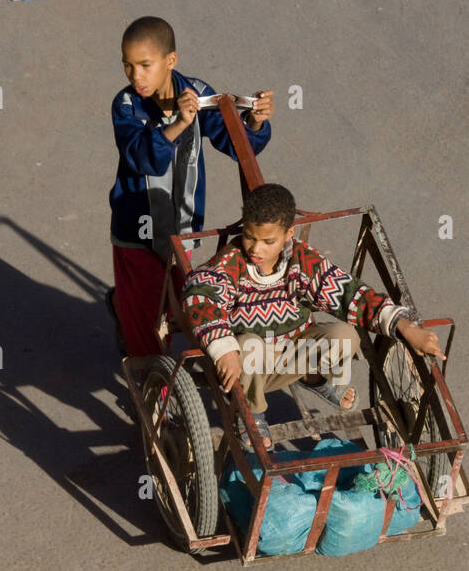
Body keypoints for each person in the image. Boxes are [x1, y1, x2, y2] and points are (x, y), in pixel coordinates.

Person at [182, 183, 445, 451]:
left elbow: (349, 293)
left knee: (345, 336)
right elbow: (200, 294)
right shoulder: (229, 264)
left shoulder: (300, 260)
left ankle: (313, 377)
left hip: (293, 352)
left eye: (267, 241)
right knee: (250, 345)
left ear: (288, 234)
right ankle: (250, 411)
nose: (256, 249)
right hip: (249, 365)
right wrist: (224, 349)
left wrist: (405, 326)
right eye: (249, 237)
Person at [107, 16, 274, 357]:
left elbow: (236, 144)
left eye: (144, 65)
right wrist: (180, 123)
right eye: (128, 66)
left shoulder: (197, 93)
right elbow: (142, 159)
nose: (135, 76)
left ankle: (121, 303)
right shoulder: (126, 106)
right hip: (137, 232)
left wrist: (254, 123)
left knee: (185, 300)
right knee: (148, 329)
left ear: (171, 61)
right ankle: (155, 394)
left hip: (182, 228)